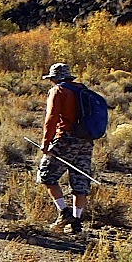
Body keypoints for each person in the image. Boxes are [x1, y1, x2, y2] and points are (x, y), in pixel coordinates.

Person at [38, 62, 93, 234]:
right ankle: (76, 222)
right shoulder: (82, 89)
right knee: (80, 181)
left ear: (54, 78)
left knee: (46, 175)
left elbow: (51, 118)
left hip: (66, 138)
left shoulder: (58, 91)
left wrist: (46, 143)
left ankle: (64, 213)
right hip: (86, 140)